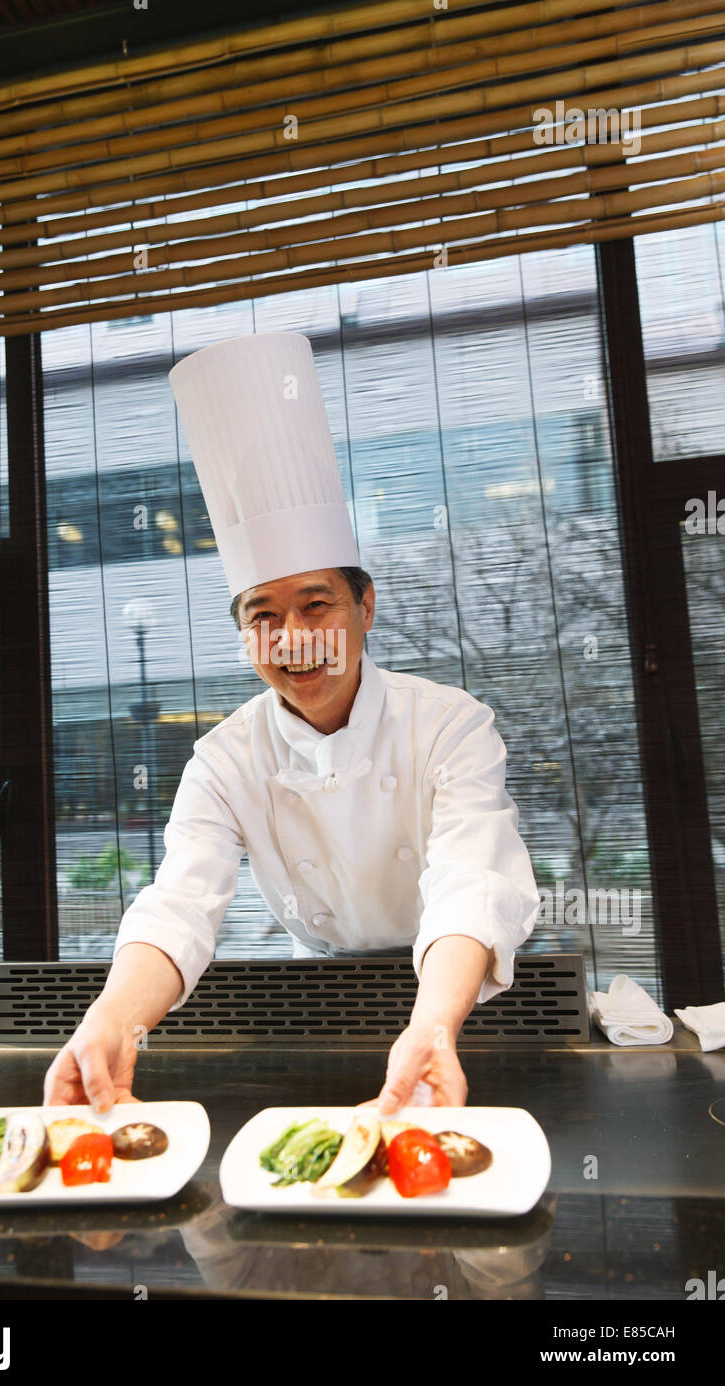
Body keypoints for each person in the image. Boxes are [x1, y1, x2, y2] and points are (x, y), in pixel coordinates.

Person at [44, 332, 540, 1116]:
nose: (293, 637)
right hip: (323, 1002)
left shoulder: (449, 723)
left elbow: (471, 879)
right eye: (264, 615)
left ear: (364, 607)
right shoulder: (222, 759)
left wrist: (435, 1023)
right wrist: (111, 1021)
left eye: (317, 604)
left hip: (457, 998)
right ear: (245, 636)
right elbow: (180, 901)